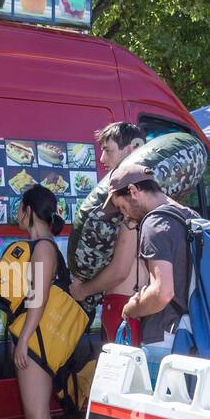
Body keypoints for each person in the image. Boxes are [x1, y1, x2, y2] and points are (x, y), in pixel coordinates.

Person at [4, 185, 70, 419]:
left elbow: (38, 299)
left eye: (20, 207)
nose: (16, 214)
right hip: (40, 341)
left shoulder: (42, 246)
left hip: (38, 344)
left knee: (37, 417)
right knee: (39, 417)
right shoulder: (45, 245)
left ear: (29, 210)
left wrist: (24, 339)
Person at [99, 161, 201, 352]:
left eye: (122, 207)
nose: (126, 216)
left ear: (133, 191)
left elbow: (162, 293)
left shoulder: (153, 224)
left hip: (166, 337)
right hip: (197, 335)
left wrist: (131, 308)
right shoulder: (189, 216)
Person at [69, 122, 146, 344]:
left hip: (125, 305)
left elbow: (121, 270)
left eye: (108, 150)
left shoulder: (132, 202)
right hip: (123, 304)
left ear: (131, 149)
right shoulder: (142, 194)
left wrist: (83, 290)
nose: (102, 159)